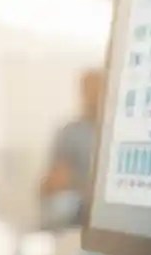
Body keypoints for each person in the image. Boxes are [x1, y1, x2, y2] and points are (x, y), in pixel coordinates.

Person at [38, 69, 104, 230]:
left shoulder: (118, 131)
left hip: (108, 201)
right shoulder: (70, 132)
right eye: (88, 89)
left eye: (98, 88)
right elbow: (56, 180)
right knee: (64, 206)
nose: (93, 95)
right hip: (78, 201)